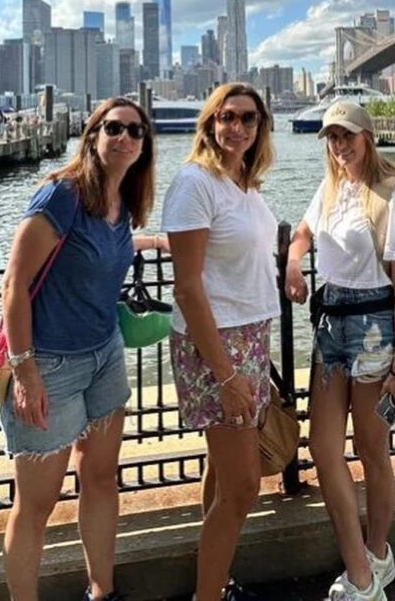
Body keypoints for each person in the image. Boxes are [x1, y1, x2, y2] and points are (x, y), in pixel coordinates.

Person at [0, 96, 156, 601]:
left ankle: (101, 591)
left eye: (135, 131)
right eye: (114, 128)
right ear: (93, 135)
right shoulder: (61, 196)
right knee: (37, 504)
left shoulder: (122, 202)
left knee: (102, 478)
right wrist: (25, 372)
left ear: (144, 146)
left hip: (105, 355)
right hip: (49, 364)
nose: (125, 137)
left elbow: (100, 250)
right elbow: (14, 284)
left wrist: (153, 243)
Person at [285, 101, 395, 601]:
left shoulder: (391, 196)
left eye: (348, 136)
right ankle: (360, 567)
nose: (340, 146)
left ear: (367, 136)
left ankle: (374, 559)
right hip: (330, 325)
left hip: (374, 329)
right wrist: (293, 264)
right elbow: (302, 233)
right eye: (333, 138)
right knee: (323, 448)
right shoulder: (331, 187)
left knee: (370, 448)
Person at [161, 83, 279, 601]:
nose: (237, 127)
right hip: (216, 345)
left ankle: (216, 582)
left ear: (261, 127)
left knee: (224, 474)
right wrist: (228, 376)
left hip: (249, 335)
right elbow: (187, 288)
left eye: (248, 118)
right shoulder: (195, 182)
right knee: (244, 486)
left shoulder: (244, 182)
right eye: (227, 117)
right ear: (209, 122)